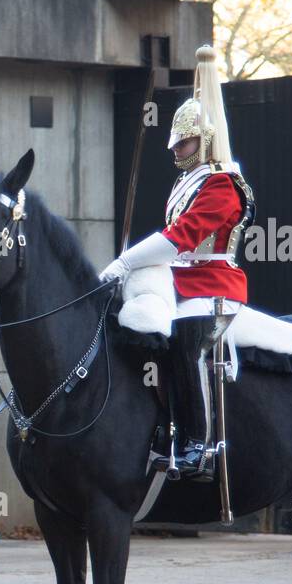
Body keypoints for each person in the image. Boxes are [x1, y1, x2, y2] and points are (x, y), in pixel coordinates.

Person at [100, 44, 256, 480]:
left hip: (214, 287)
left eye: (183, 141)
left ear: (204, 139)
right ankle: (156, 431)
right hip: (182, 284)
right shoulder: (188, 182)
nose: (175, 149)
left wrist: (125, 262)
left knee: (186, 341)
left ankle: (198, 444)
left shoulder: (223, 185)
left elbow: (180, 239)